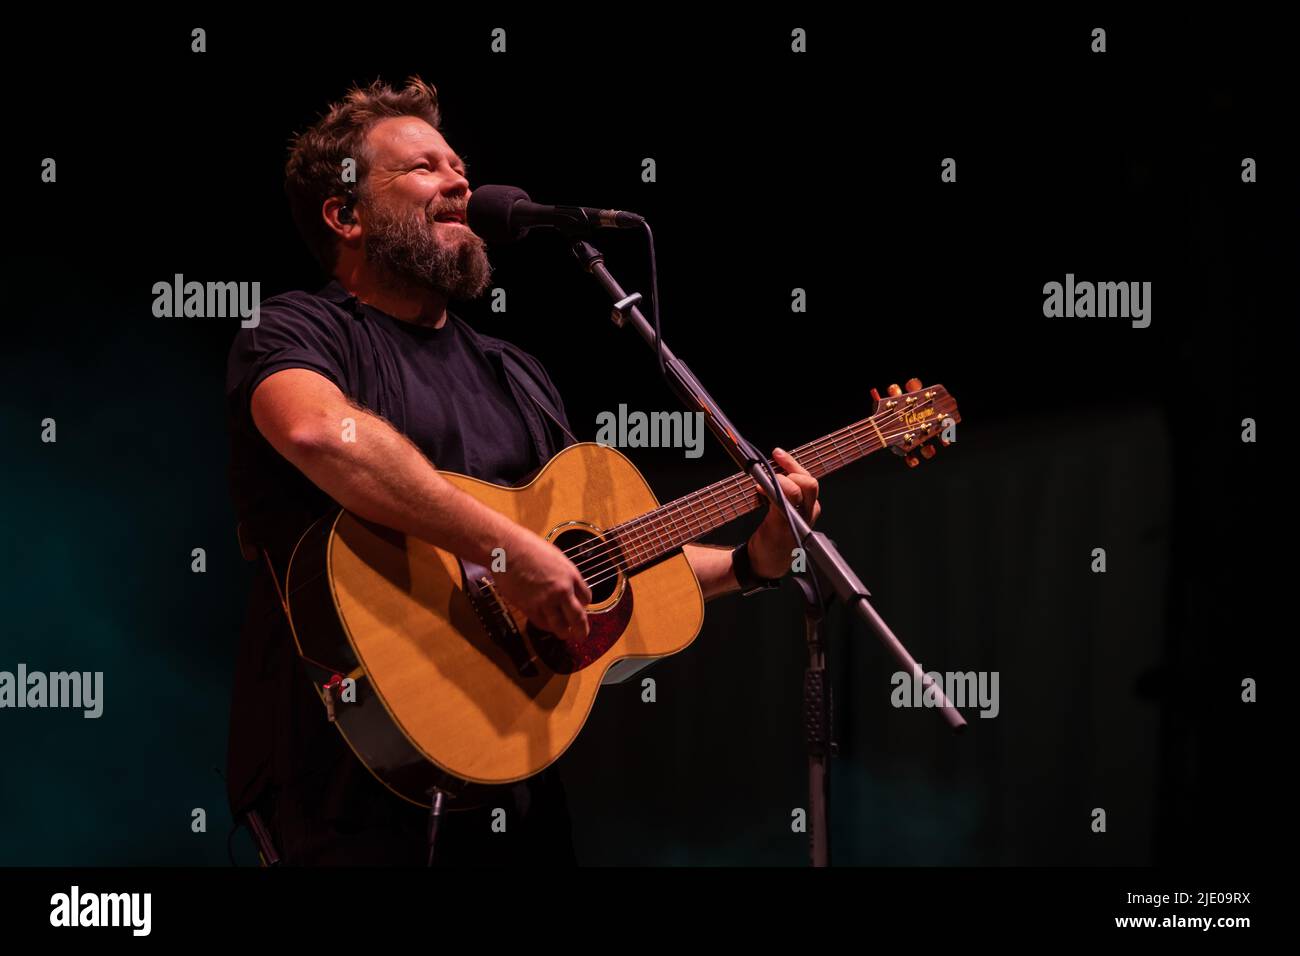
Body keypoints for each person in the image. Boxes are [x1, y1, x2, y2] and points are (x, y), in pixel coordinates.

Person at [224, 76, 822, 865]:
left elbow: (587, 567)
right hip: (341, 776)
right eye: (424, 168)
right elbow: (318, 434)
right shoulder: (292, 329)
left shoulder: (517, 372)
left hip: (509, 771)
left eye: (459, 166)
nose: (461, 182)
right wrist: (509, 552)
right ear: (346, 214)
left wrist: (755, 559)